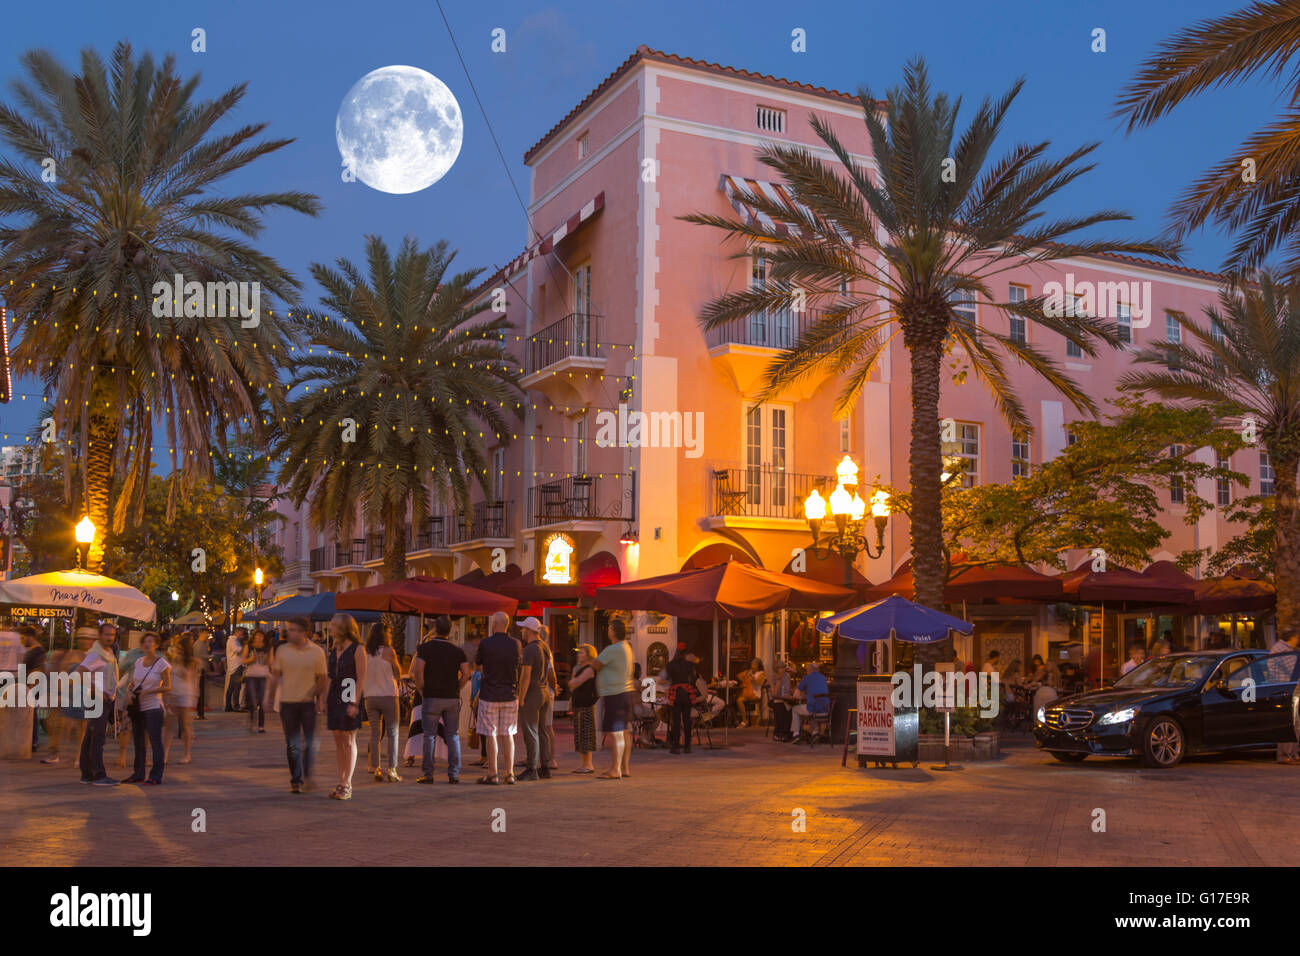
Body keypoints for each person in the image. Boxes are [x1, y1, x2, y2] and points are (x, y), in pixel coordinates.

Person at [266, 616, 328, 794]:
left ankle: (307, 773)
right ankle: (296, 779)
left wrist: (318, 697)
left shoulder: (317, 652)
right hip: (288, 703)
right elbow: (275, 676)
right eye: (289, 629)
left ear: (304, 632)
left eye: (293, 630)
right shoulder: (282, 650)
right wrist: (268, 698)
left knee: (310, 742)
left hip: (308, 704)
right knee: (292, 743)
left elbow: (323, 678)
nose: (289, 633)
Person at [413, 616, 469, 785]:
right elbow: (466, 673)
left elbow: (418, 671)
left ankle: (428, 774)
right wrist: (457, 687)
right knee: (453, 736)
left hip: (432, 696)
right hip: (451, 697)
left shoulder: (425, 649)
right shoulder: (457, 651)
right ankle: (454, 774)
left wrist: (422, 689)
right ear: (450, 630)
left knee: (429, 736)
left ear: (435, 629)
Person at [474, 610, 521, 785]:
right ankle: (510, 773)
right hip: (510, 694)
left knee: (490, 734)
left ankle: (493, 773)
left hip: (489, 695)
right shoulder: (516, 644)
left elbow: (477, 664)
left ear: (493, 625)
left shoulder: (486, 643)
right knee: (508, 734)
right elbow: (518, 665)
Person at [326, 614, 367, 800]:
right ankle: (341, 779)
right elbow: (329, 676)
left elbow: (361, 678)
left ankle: (347, 783)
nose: (330, 628)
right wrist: (323, 698)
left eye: (333, 625)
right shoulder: (334, 649)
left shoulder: (358, 649)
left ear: (343, 628)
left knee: (348, 737)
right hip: (335, 694)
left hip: (349, 692)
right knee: (338, 737)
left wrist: (354, 702)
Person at [75, 623, 121, 786]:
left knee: (91, 736)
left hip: (103, 699)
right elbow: (80, 673)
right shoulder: (96, 655)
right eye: (107, 634)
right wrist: (97, 691)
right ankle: (98, 774)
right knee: (97, 738)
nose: (110, 637)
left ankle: (87, 774)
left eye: (112, 635)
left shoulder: (107, 653)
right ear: (100, 635)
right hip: (97, 700)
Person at [124, 632, 171, 785]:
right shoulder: (138, 661)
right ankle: (138, 773)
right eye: (145, 642)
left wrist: (150, 691)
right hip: (138, 706)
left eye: (151, 641)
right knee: (138, 741)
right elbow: (133, 682)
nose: (147, 644)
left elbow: (167, 686)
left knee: (154, 740)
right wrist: (128, 692)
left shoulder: (161, 663)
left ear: (156, 645)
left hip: (153, 706)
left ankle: (156, 775)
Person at [593, 617, 635, 779]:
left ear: (613, 632)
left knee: (615, 732)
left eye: (609, 628)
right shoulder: (627, 647)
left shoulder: (613, 649)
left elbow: (596, 664)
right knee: (624, 731)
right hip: (625, 693)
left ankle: (615, 769)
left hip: (614, 694)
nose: (608, 630)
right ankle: (624, 768)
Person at [363, 622, 403, 782]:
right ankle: (392, 769)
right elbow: (398, 674)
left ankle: (375, 768)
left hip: (370, 697)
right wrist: (395, 662)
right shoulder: (389, 651)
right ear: (385, 635)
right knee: (393, 732)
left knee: (375, 733)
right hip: (388, 696)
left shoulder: (365, 652)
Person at [516, 617, 553, 780]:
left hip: (532, 693)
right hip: (544, 691)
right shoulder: (544, 646)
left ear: (530, 631)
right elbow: (550, 670)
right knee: (542, 730)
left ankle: (531, 768)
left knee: (531, 731)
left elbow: (525, 675)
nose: (522, 631)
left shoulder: (530, 649)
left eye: (523, 629)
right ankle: (545, 767)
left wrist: (521, 697)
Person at [163, 634, 199, 765]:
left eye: (179, 648)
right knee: (168, 726)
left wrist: (195, 698)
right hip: (172, 694)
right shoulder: (172, 660)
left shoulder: (191, 662)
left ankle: (186, 754)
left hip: (185, 695)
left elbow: (191, 679)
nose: (176, 650)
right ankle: (164, 754)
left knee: (185, 726)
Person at [1270, 628, 1300, 764]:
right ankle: (1286, 754)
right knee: (1291, 723)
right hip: (1289, 691)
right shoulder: (1285, 651)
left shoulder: (1279, 648)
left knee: (1294, 723)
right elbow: (1295, 670)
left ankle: (1292, 753)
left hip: (1286, 690)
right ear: (1292, 638)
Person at [568, 643, 599, 772]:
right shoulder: (577, 668)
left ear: (588, 655)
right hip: (577, 703)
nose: (579, 655)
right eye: (578, 652)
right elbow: (571, 685)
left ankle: (588, 764)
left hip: (586, 704)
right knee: (579, 734)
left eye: (582, 652)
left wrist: (573, 683)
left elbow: (575, 682)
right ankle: (583, 763)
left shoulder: (590, 668)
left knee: (586, 734)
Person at [664, 643, 698, 754]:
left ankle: (675, 746)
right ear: (685, 653)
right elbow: (693, 679)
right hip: (686, 693)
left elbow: (668, 678)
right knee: (687, 720)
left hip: (675, 694)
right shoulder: (690, 665)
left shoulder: (670, 665)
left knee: (676, 721)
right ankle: (687, 746)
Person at [19, 626, 46, 753]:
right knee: (30, 713)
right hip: (31, 685)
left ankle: (33, 740)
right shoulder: (34, 650)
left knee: (31, 713)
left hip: (32, 685)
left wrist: (30, 686)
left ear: (30, 637)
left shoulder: (37, 651)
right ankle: (31, 739)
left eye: (23, 638)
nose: (22, 640)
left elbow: (38, 669)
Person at [241, 630, 273, 734]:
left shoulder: (268, 647)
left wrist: (266, 659)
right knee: (252, 701)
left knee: (261, 700)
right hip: (251, 675)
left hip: (263, 675)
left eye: (261, 636)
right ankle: (251, 721)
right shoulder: (249, 646)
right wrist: (250, 659)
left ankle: (261, 725)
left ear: (264, 637)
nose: (259, 638)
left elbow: (271, 662)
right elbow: (243, 661)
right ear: (254, 637)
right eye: (257, 636)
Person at [792, 660, 829, 741]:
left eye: (807, 670)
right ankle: (815, 732)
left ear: (810, 670)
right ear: (818, 670)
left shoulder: (807, 678)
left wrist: (804, 697)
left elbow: (795, 695)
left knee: (795, 709)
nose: (806, 672)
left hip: (814, 710)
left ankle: (796, 734)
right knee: (811, 706)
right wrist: (808, 696)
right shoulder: (823, 678)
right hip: (825, 710)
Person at [738, 657, 768, 728]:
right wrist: (745, 675)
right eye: (752, 664)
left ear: (758, 666)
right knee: (738, 700)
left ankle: (746, 721)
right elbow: (739, 676)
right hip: (748, 692)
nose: (752, 666)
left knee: (741, 698)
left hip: (756, 695)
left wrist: (752, 678)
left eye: (754, 664)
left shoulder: (761, 674)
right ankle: (744, 721)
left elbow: (758, 683)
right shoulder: (749, 672)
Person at [224, 627, 246, 711]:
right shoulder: (233, 640)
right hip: (236, 665)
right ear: (238, 632)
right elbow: (236, 650)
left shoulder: (234, 640)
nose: (243, 636)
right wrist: (245, 647)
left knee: (232, 687)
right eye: (242, 633)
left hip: (235, 665)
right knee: (236, 686)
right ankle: (235, 706)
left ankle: (228, 706)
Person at [192, 629, 211, 719]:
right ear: (201, 634)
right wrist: (210, 657)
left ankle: (201, 712)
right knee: (200, 691)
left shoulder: (203, 643)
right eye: (206, 633)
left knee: (202, 691)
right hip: (200, 669)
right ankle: (200, 713)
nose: (207, 635)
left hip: (202, 668)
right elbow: (199, 655)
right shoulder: (198, 644)